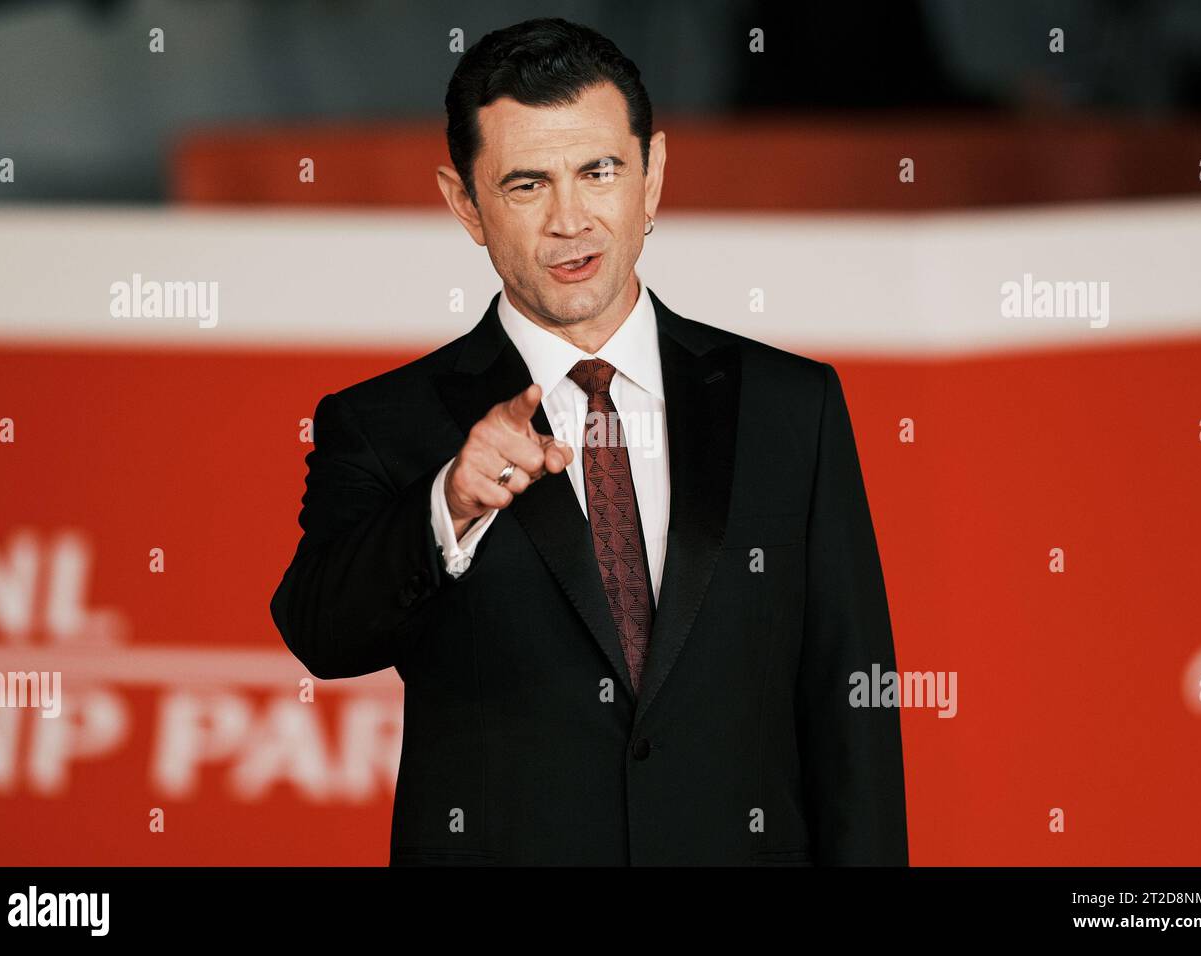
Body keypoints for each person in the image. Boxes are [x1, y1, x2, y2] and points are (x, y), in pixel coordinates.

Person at [270, 16, 908, 866]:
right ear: (465, 204)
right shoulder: (387, 422)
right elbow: (320, 631)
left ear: (652, 177)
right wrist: (449, 505)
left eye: (599, 171)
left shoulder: (792, 404)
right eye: (527, 184)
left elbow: (849, 704)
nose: (572, 220)